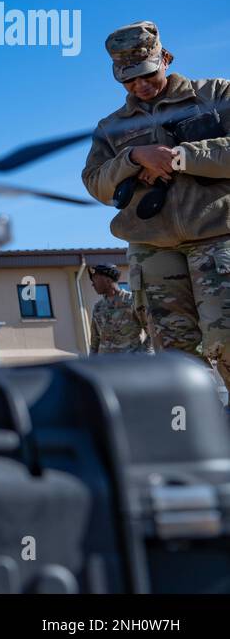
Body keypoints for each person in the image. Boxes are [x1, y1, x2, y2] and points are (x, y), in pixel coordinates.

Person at [81, 20, 230, 392]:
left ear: (165, 58)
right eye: (128, 80)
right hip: (152, 248)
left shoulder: (214, 94)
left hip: (218, 235)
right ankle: (193, 437)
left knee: (226, 341)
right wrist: (133, 157)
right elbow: (95, 182)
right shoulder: (111, 126)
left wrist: (181, 157)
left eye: (147, 74)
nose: (140, 86)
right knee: (173, 359)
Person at [85, 263, 151, 354]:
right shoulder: (98, 307)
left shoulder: (132, 301)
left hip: (130, 364)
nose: (93, 284)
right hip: (106, 366)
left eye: (95, 279)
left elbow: (152, 332)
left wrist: (141, 355)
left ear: (108, 280)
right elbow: (94, 342)